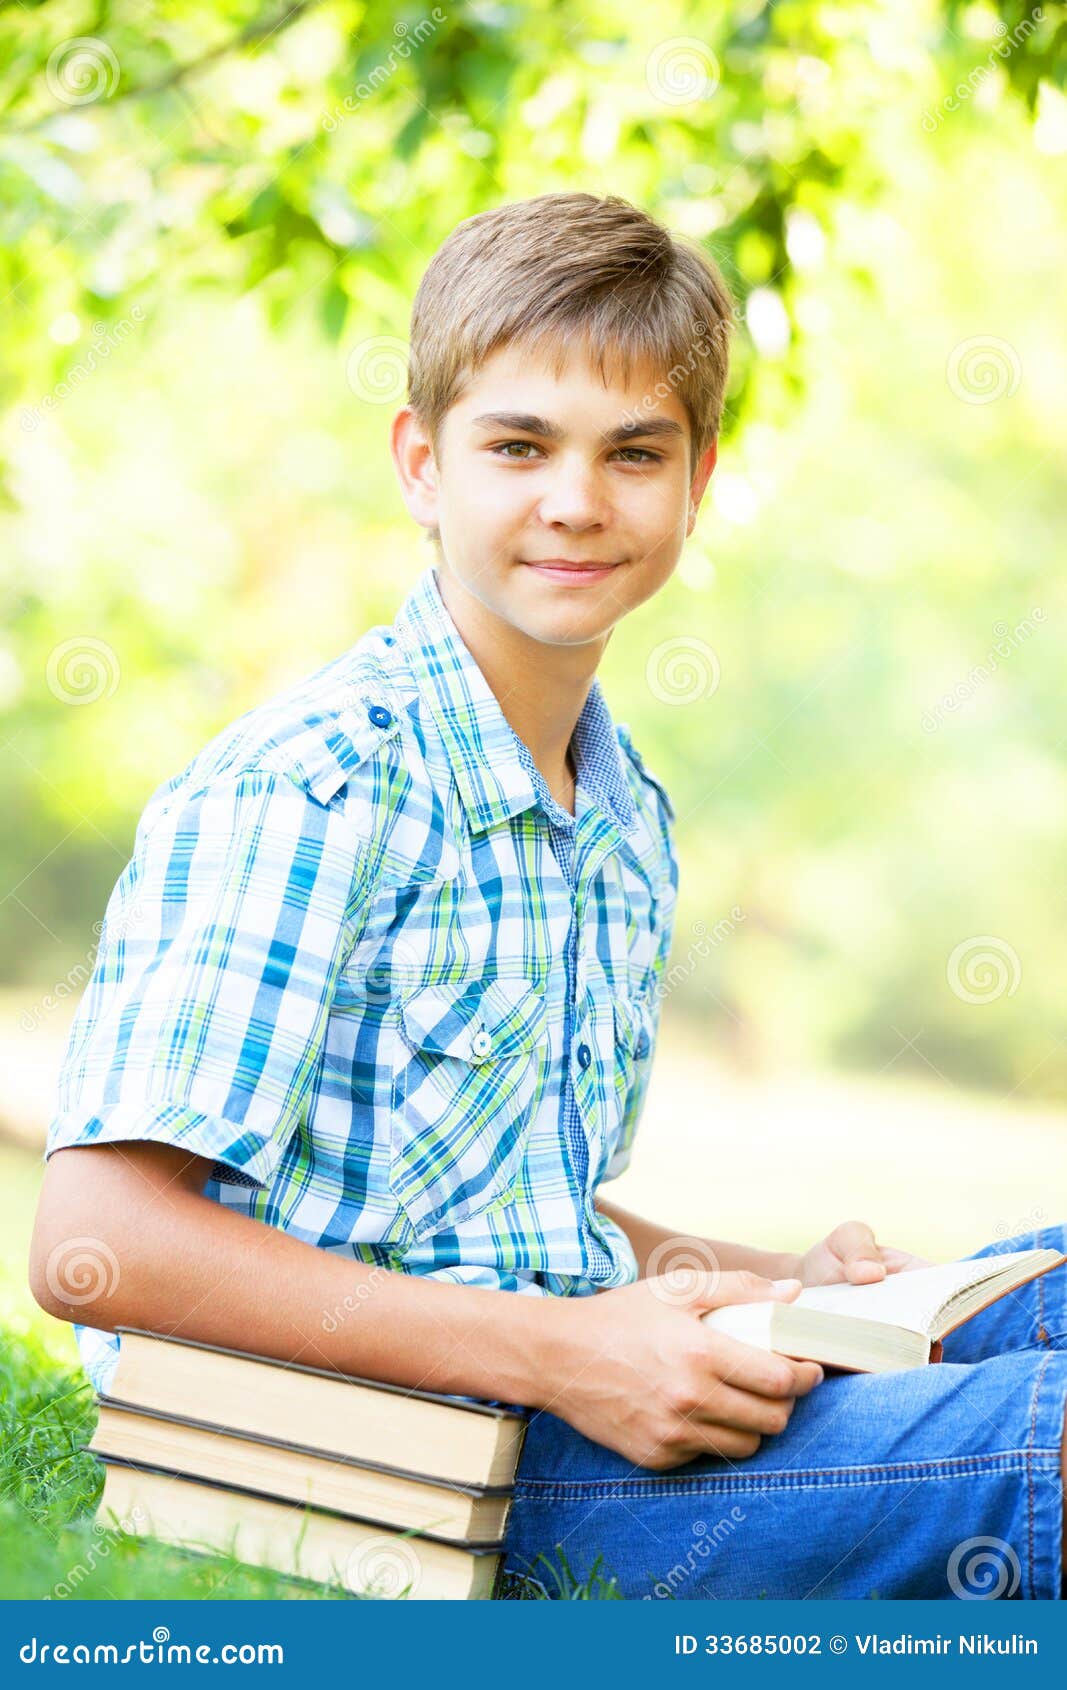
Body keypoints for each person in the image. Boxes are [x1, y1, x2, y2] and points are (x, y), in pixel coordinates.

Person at [29, 192, 1067, 1600]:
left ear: (695, 482)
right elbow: (94, 1240)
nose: (576, 499)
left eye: (633, 453)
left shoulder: (619, 808)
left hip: (575, 1390)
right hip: (418, 1457)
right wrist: (569, 1352)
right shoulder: (316, 786)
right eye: (518, 445)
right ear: (421, 463)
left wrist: (781, 1280)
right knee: (1044, 1432)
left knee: (1043, 1280)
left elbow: (526, 1203)